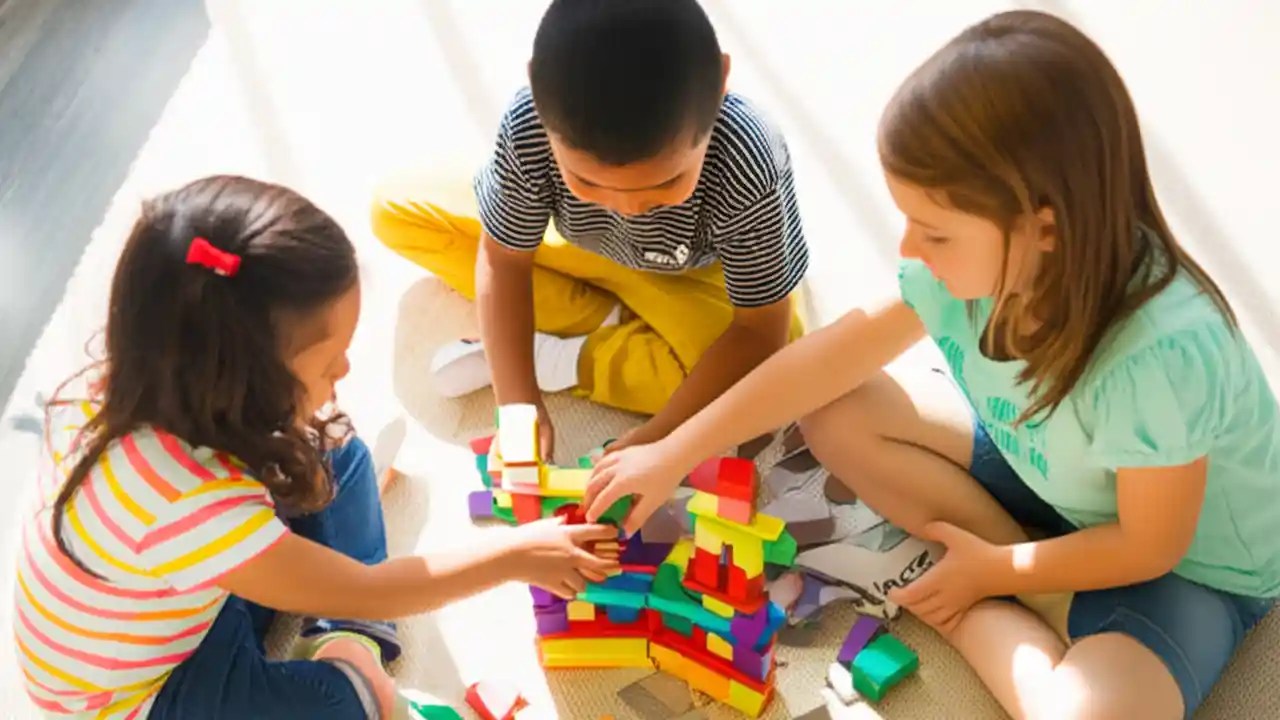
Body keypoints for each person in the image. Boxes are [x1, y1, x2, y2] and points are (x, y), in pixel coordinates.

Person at [582, 11, 1280, 720]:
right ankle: (1010, 571)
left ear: (1045, 228)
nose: (910, 250)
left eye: (936, 231)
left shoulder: (1159, 358)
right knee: (838, 409)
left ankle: (974, 607)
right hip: (1048, 466)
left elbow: (1148, 546)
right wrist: (675, 449)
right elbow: (819, 365)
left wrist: (993, 575)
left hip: (1190, 568)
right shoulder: (966, 274)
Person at [14, 175, 619, 720]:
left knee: (340, 454)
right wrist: (515, 555)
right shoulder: (185, 502)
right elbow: (373, 587)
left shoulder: (134, 380)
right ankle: (352, 654)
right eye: (329, 363)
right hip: (147, 691)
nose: (347, 367)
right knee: (340, 703)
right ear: (246, 382)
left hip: (180, 598)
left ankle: (345, 637)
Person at [372, 0, 807, 461]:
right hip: (581, 247)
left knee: (776, 369)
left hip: (692, 278)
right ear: (537, 94)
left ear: (721, 83)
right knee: (394, 211)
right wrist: (517, 402)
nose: (629, 208)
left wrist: (660, 438)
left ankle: (564, 356)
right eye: (587, 182)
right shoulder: (528, 126)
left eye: (666, 182)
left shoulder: (746, 157)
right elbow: (502, 259)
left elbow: (759, 328)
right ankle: (585, 331)